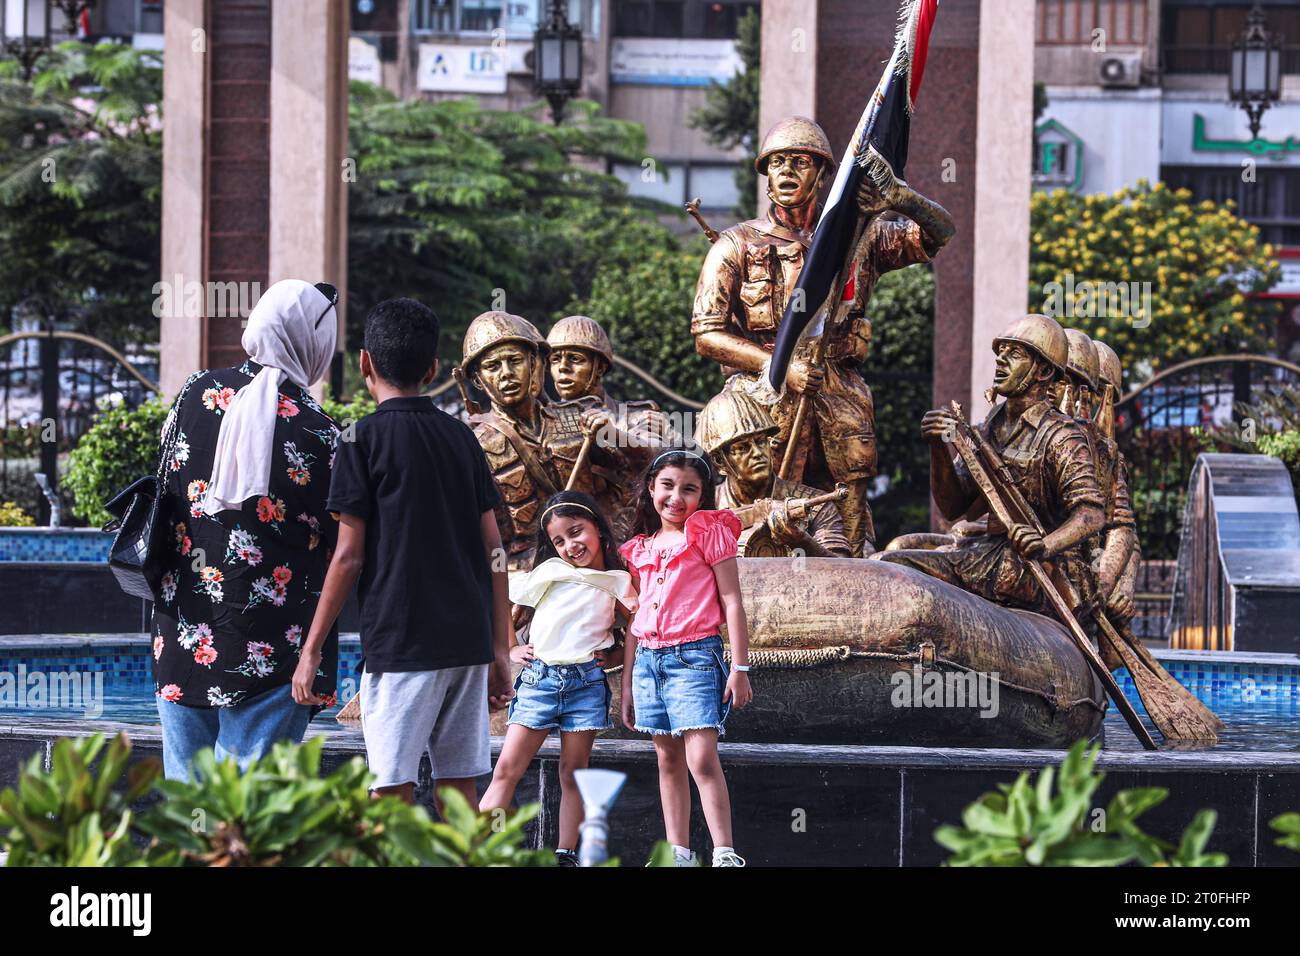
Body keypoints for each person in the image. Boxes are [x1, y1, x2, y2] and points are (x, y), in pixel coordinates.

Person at [691, 116, 954, 556]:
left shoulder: (858, 236)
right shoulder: (734, 245)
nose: (787, 172)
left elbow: (939, 234)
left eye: (799, 162)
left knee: (848, 510)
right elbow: (707, 334)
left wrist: (901, 197)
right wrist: (780, 367)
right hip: (764, 393)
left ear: (823, 173)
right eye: (777, 163)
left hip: (840, 389)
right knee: (762, 512)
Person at [293, 298, 513, 808]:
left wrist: (311, 650)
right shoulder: (463, 437)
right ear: (433, 369)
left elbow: (347, 557)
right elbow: (495, 551)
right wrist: (499, 648)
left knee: (388, 792)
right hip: (465, 643)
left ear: (365, 363)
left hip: (401, 644)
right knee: (459, 791)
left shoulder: (361, 440)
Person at [152, 279, 341, 781]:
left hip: (183, 633)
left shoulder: (194, 394)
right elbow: (340, 545)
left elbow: (165, 487)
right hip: (276, 650)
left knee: (188, 807)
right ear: (315, 342)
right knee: (247, 817)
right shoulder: (320, 433)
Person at [875, 314, 1104, 615]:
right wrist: (938, 449)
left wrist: (1045, 545)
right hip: (988, 554)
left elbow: (1091, 514)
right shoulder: (988, 429)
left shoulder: (1062, 435)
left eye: (1016, 353)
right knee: (890, 564)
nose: (1001, 361)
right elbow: (953, 506)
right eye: (1001, 353)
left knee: (899, 568)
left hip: (1038, 570)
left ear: (1044, 370)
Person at [478, 490, 636, 866]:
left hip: (586, 685)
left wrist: (616, 658)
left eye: (576, 532)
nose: (569, 546)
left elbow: (637, 627)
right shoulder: (548, 572)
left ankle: (566, 854)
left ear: (597, 526)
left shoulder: (618, 580)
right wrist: (510, 649)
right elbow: (506, 605)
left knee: (573, 772)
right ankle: (474, 848)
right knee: (507, 769)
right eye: (559, 541)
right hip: (540, 681)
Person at [618, 449, 753, 867]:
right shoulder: (639, 548)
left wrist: (740, 667)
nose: (677, 497)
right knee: (667, 757)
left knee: (700, 758)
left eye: (689, 489)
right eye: (668, 486)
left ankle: (725, 853)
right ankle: (678, 853)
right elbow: (635, 621)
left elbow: (732, 602)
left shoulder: (709, 533)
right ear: (651, 489)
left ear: (702, 496)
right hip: (648, 663)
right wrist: (626, 685)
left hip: (694, 658)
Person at [695, 389, 851, 557]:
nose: (757, 452)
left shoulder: (817, 505)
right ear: (720, 461)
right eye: (742, 448)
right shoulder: (703, 509)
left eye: (761, 442)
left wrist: (802, 542)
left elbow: (842, 570)